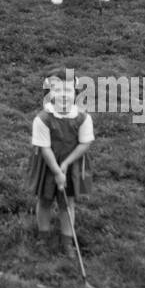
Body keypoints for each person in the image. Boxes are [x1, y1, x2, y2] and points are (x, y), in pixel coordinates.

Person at [28, 72, 93, 256]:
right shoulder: (42, 119)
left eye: (68, 90)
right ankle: (43, 237)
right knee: (45, 200)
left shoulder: (83, 118)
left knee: (67, 202)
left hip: (71, 164)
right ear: (50, 94)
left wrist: (65, 165)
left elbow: (85, 143)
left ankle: (67, 242)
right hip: (47, 165)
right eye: (58, 90)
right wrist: (57, 171)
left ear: (76, 93)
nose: (64, 94)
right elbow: (45, 148)